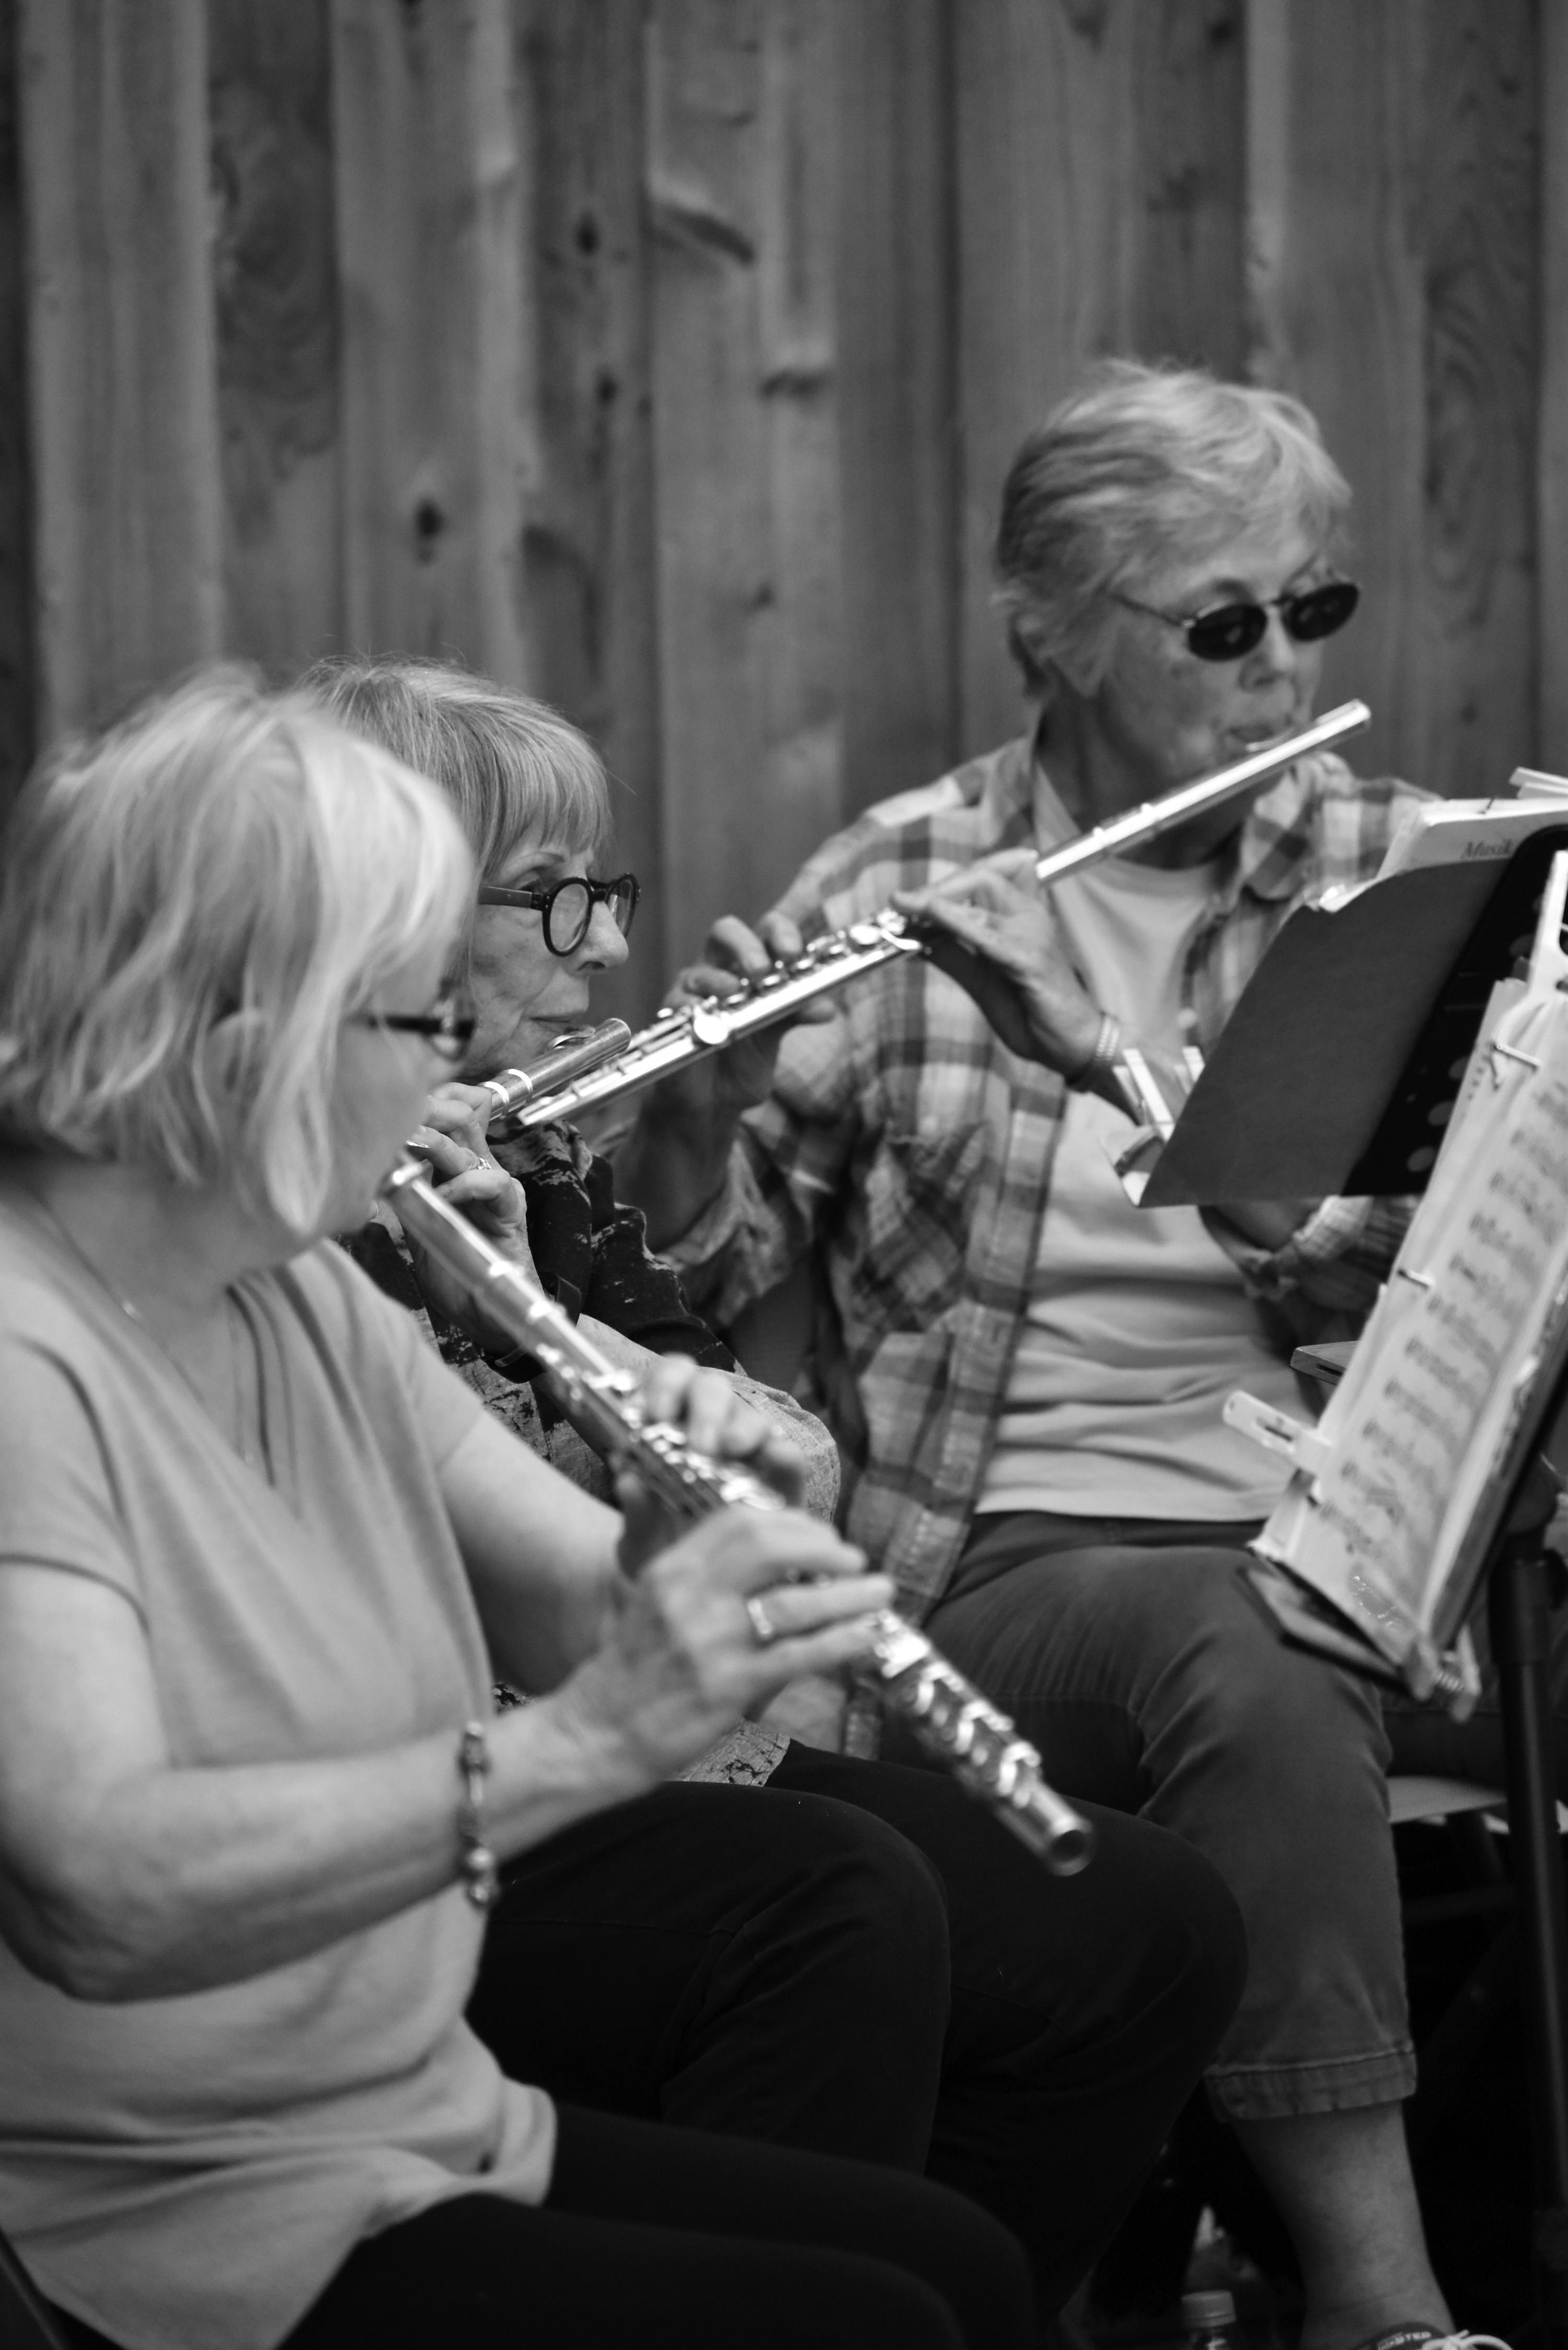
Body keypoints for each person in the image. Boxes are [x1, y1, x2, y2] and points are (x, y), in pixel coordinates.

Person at [0, 670, 1047, 2350]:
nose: (453, 1076)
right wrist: (581, 1746)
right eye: (416, 1024)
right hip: (173, 2210)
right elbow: (102, 1892)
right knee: (875, 2315)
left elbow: (574, 1611)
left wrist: (675, 1520)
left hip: (414, 2117)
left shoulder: (291, 1286)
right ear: (236, 1029)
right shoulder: (29, 1352)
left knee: (963, 2272)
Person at [614, 363, 1489, 2350]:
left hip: (1387, 1521)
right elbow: (697, 1279)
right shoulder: (901, 886)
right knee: (1242, 1648)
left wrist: (1128, 1074)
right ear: (1055, 629)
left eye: (1315, 612)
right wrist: (697, 1112)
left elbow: (1464, 1258)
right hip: (1031, 1566)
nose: (1280, 671)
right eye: (1222, 623)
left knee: (1291, 1634)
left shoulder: (1409, 878)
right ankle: (1381, 2306)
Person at [299, 652, 1248, 2325]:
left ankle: (928, 2306)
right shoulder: (303, 1213)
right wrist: (540, 1357)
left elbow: (772, 1464)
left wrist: (561, 1314)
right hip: (425, 1792)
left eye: (607, 896)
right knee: (839, 1906)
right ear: (393, 924)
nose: (607, 947)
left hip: (637, 1736)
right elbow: (456, 1599)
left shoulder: (522, 1170)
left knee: (1151, 1921)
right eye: (552, 903)